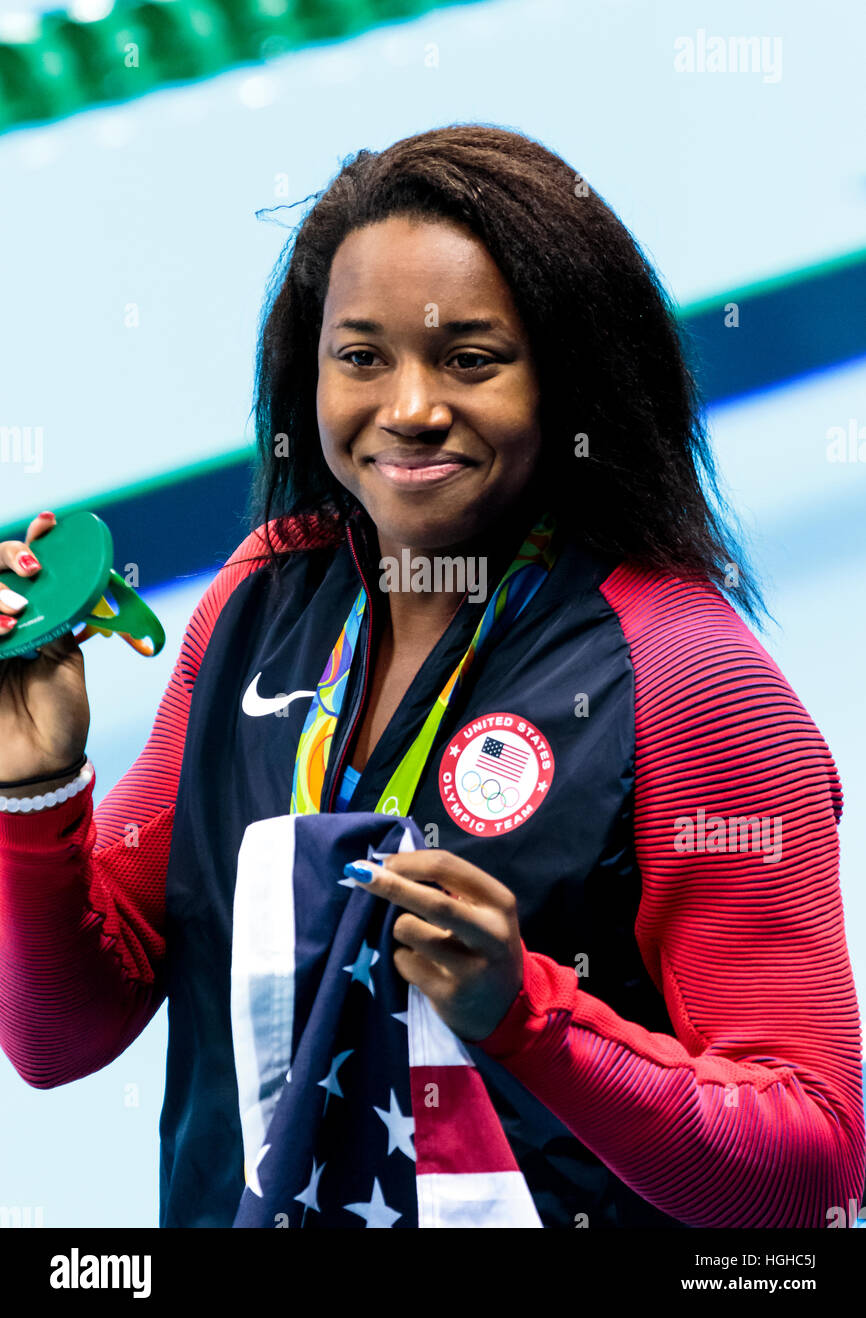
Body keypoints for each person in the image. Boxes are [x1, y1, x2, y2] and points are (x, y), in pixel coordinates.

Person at [0, 123, 863, 1229]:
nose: (407, 407)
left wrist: (528, 1016)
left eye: (468, 359)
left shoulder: (683, 679)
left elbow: (809, 1169)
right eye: (361, 357)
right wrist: (35, 795)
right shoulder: (264, 601)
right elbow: (60, 1037)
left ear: (567, 379)